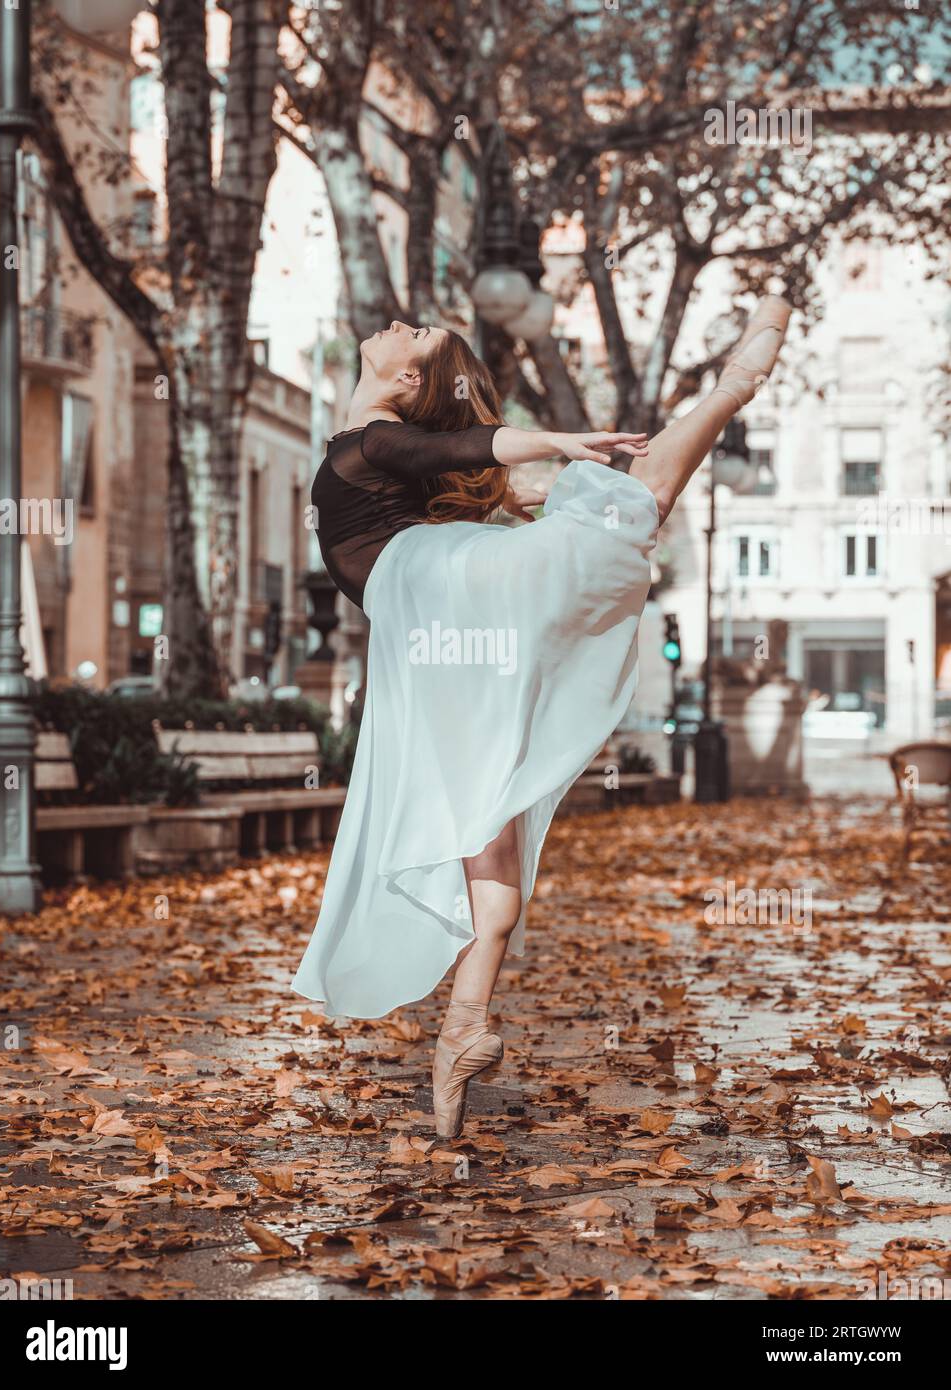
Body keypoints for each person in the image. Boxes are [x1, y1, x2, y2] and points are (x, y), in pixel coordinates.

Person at [292, 298, 791, 1138]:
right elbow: (455, 452)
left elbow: (463, 446)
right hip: (436, 614)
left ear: (407, 377)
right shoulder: (376, 452)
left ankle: (733, 388)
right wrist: (551, 457)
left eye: (413, 337)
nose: (395, 327)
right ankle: (464, 1023)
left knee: (622, 508)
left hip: (432, 611)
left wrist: (557, 446)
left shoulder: (366, 441)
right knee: (486, 804)